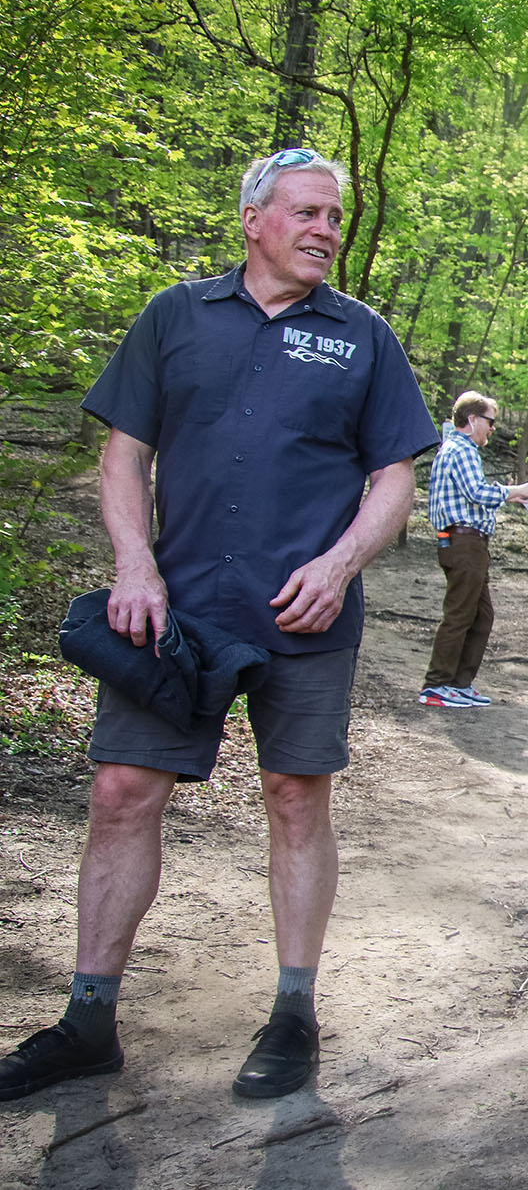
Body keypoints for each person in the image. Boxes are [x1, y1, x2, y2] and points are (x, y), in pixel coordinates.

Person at [0, 148, 437, 1104]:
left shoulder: (363, 336)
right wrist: (134, 564)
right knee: (120, 788)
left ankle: (292, 1014)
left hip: (305, 612)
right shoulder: (174, 315)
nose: (326, 228)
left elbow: (397, 477)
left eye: (335, 215)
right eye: (309, 212)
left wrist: (337, 566)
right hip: (177, 609)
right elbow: (124, 453)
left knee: (293, 794)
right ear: (253, 218)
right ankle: (87, 1019)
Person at [421, 391, 528, 707]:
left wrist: (516, 497)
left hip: (469, 543)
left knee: (482, 615)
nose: (493, 428)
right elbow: (476, 493)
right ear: (472, 420)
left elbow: (473, 494)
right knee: (460, 613)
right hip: (464, 543)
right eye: (490, 421)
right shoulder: (461, 450)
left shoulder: (461, 451)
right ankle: (436, 685)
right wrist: (519, 489)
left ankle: (460, 683)